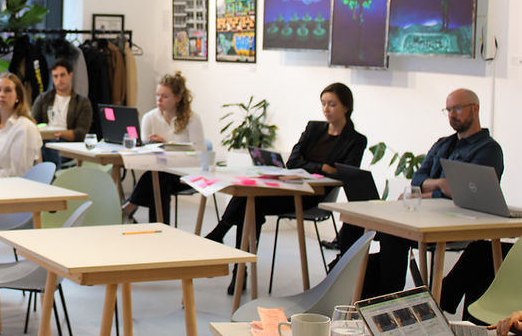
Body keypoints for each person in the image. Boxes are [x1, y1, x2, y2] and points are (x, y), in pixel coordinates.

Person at [339, 88, 503, 299]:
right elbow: (418, 179)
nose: (452, 115)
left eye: (458, 109)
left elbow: (467, 195)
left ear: (475, 109)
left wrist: (430, 192)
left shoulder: (488, 150)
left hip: (456, 223)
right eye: (449, 110)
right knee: (360, 226)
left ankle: (391, 300)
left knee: (392, 235)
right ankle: (368, 297)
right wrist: (441, 184)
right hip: (424, 215)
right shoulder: (444, 143)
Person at [205, 82, 367, 294]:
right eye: (324, 104)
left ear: (346, 107)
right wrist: (320, 166)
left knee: (249, 202)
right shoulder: (314, 128)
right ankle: (238, 268)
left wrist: (313, 167)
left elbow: (344, 172)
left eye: (332, 104)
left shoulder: (355, 140)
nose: (326, 109)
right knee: (248, 199)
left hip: (313, 196)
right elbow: (293, 161)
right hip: (289, 188)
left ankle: (224, 243)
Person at [121, 71, 205, 224]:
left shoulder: (192, 119)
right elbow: (144, 152)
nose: (159, 100)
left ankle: (130, 206)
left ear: (178, 98)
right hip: (160, 172)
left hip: (185, 173)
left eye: (164, 96)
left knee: (158, 179)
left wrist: (167, 145)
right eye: (157, 95)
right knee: (159, 180)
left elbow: (199, 154)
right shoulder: (149, 117)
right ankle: (160, 228)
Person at [31, 58, 93, 167]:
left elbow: (81, 133)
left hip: (68, 144)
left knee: (51, 146)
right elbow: (32, 122)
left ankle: (50, 175)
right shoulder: (43, 99)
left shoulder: (82, 103)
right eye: (55, 76)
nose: (59, 79)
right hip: (44, 140)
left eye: (62, 75)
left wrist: (61, 134)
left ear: (70, 75)